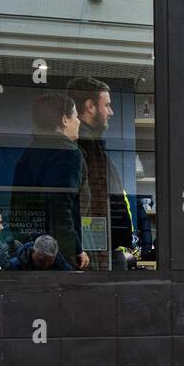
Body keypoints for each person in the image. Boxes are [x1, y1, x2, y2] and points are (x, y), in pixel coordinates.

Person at [67, 77, 139, 271]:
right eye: (107, 105)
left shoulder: (94, 146)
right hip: (98, 255)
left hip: (104, 251)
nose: (111, 112)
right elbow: (88, 206)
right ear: (90, 106)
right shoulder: (86, 147)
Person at [11, 93, 90, 270]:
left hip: (29, 251)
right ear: (64, 120)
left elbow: (16, 207)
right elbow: (60, 206)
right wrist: (75, 248)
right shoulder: (68, 153)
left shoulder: (28, 154)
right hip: (56, 254)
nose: (79, 121)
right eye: (76, 116)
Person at [8, 234, 74, 271]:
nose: (45, 266)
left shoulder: (60, 263)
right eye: (40, 261)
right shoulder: (15, 265)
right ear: (32, 251)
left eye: (50, 263)